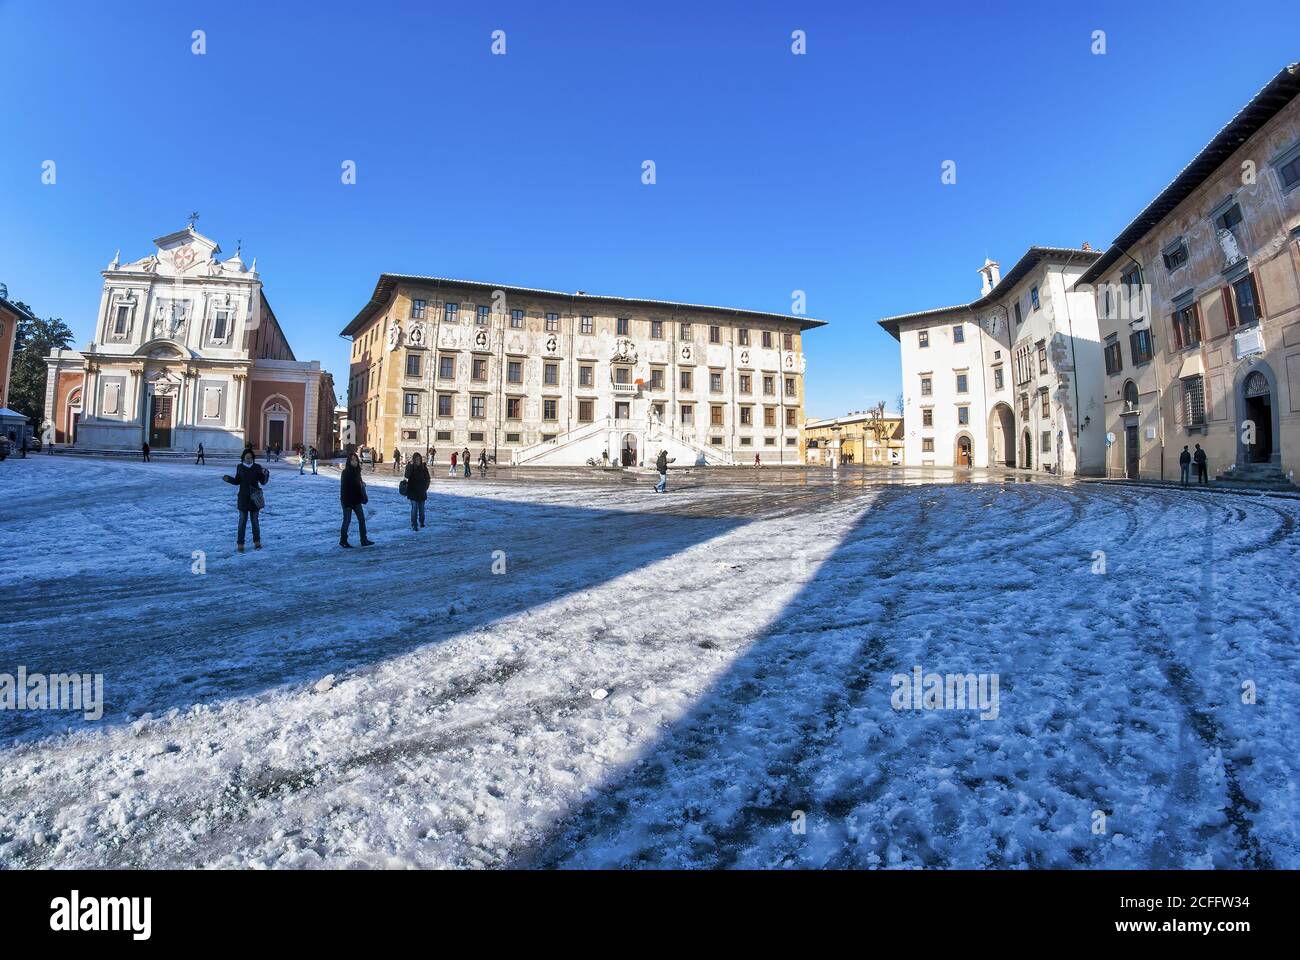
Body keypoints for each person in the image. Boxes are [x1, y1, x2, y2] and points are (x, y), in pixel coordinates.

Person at [222, 448, 269, 552]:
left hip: (254, 499)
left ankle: (257, 542)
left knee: (255, 521)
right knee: (242, 522)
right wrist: (229, 479)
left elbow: (263, 482)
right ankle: (240, 544)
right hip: (243, 498)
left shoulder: (257, 467)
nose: (249, 460)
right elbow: (237, 481)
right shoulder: (240, 467)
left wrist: (266, 474)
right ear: (243, 458)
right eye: (247, 458)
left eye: (251, 458)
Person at [339, 451, 375, 547]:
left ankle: (364, 540)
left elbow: (359, 484)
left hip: (356, 500)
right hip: (347, 501)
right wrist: (346, 503)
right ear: (349, 461)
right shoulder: (345, 472)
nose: (354, 462)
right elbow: (343, 489)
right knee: (347, 521)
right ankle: (343, 541)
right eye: (352, 460)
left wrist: (363, 485)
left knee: (362, 520)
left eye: (355, 460)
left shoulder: (357, 472)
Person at [404, 452, 431, 530]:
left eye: (419, 459)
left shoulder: (423, 467)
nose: (418, 461)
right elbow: (406, 476)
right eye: (416, 459)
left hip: (422, 492)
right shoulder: (411, 467)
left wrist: (426, 487)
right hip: (412, 492)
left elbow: (428, 478)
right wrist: (409, 466)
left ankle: (422, 522)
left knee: (422, 510)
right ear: (414, 460)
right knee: (414, 508)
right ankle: (414, 524)